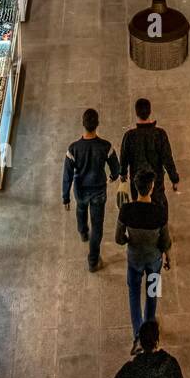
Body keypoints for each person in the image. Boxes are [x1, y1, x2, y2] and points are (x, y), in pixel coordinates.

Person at [115, 169, 171, 353]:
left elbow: (118, 238)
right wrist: (168, 256)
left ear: (136, 187)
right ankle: (150, 331)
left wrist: (128, 240)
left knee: (133, 293)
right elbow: (165, 241)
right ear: (152, 187)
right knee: (152, 293)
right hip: (154, 260)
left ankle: (138, 335)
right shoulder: (160, 212)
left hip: (134, 259)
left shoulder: (126, 210)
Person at [62, 107, 120, 272]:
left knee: (81, 209)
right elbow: (116, 169)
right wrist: (111, 178)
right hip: (98, 191)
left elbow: (67, 175)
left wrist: (65, 197)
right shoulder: (105, 146)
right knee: (98, 226)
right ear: (97, 124)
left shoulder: (73, 148)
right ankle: (93, 261)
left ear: (83, 124)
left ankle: (82, 231)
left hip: (80, 190)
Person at [120, 99, 180, 211]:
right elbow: (167, 159)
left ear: (136, 113)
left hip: (137, 186)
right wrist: (174, 179)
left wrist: (123, 175)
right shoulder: (160, 134)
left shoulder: (129, 136)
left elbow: (123, 160)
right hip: (156, 185)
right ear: (150, 111)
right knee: (159, 212)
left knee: (139, 212)